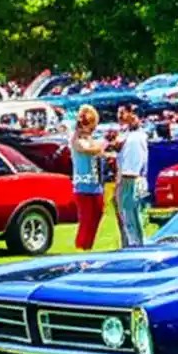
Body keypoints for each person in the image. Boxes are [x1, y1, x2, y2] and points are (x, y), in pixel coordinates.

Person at [69, 105, 110, 251]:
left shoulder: (90, 139)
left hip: (95, 184)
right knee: (86, 219)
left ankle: (88, 246)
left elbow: (98, 152)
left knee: (98, 214)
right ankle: (82, 248)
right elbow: (88, 150)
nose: (91, 129)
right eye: (89, 126)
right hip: (82, 185)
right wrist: (104, 144)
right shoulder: (76, 140)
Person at [114, 105, 149, 248]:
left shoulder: (139, 135)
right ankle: (130, 244)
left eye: (123, 113)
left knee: (135, 216)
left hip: (134, 178)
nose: (120, 116)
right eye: (119, 113)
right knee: (126, 216)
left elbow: (135, 161)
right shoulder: (125, 135)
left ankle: (139, 245)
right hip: (126, 178)